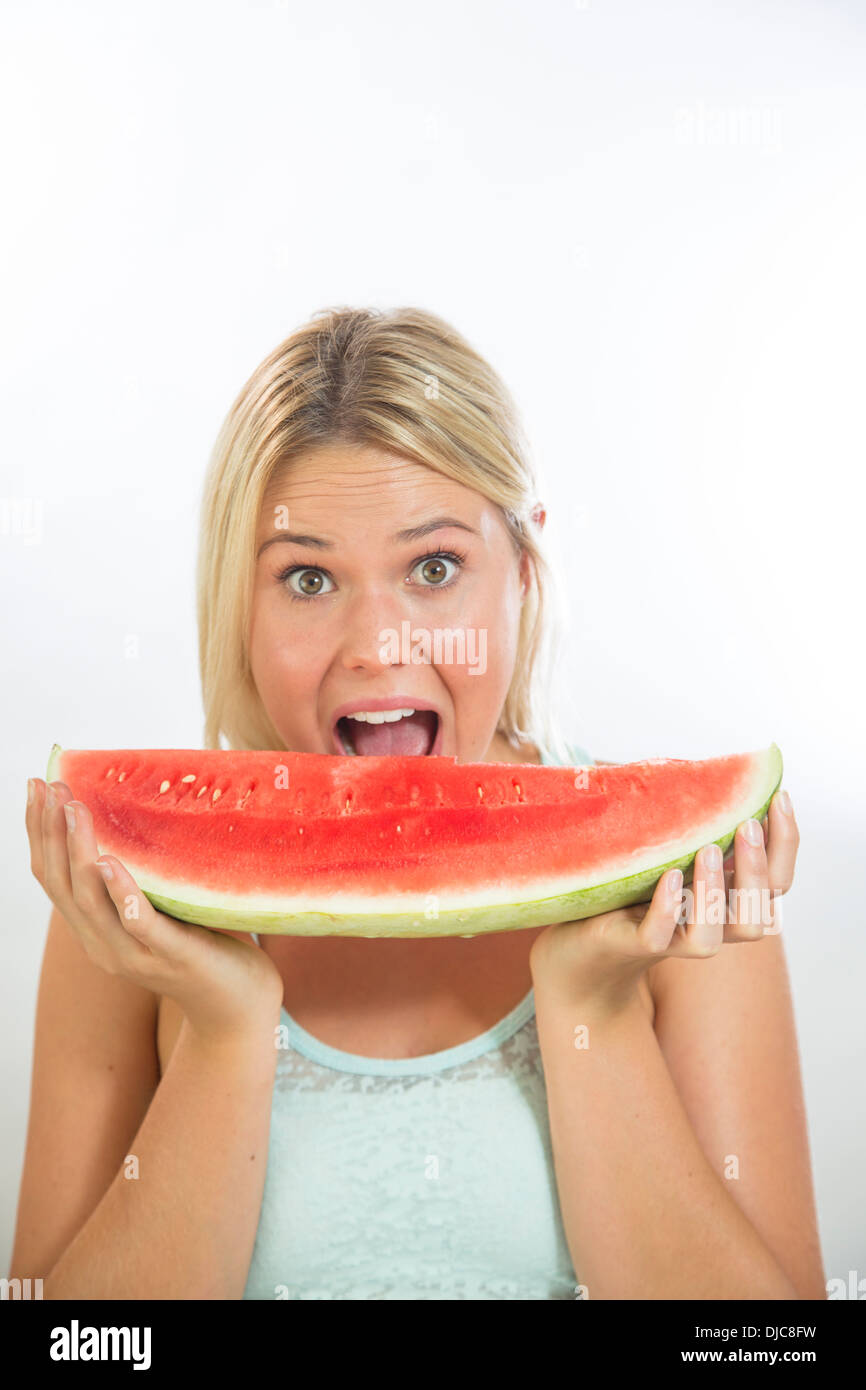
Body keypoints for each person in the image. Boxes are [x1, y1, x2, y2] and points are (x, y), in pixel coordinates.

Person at [13, 306, 824, 1299]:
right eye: (307, 577)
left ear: (522, 574)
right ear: (239, 602)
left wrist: (592, 1008)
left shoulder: (681, 891)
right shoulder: (125, 900)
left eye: (434, 569)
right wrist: (226, 1030)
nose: (379, 645)